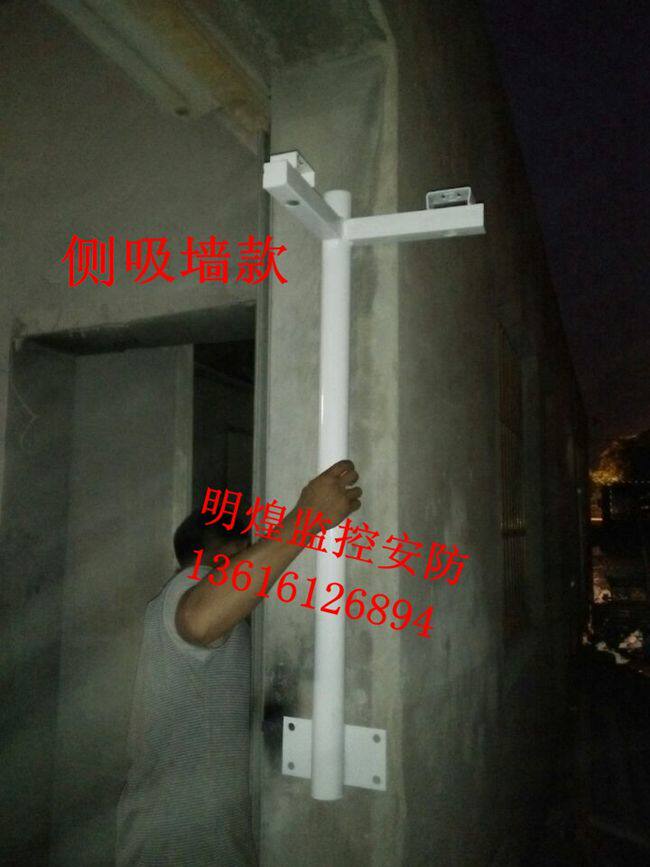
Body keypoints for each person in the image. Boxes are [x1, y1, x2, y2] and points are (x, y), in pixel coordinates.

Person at [115, 459, 362, 866]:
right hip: (178, 846)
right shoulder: (186, 587)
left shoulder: (206, 618)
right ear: (228, 555)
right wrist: (307, 519)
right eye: (248, 551)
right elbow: (198, 620)